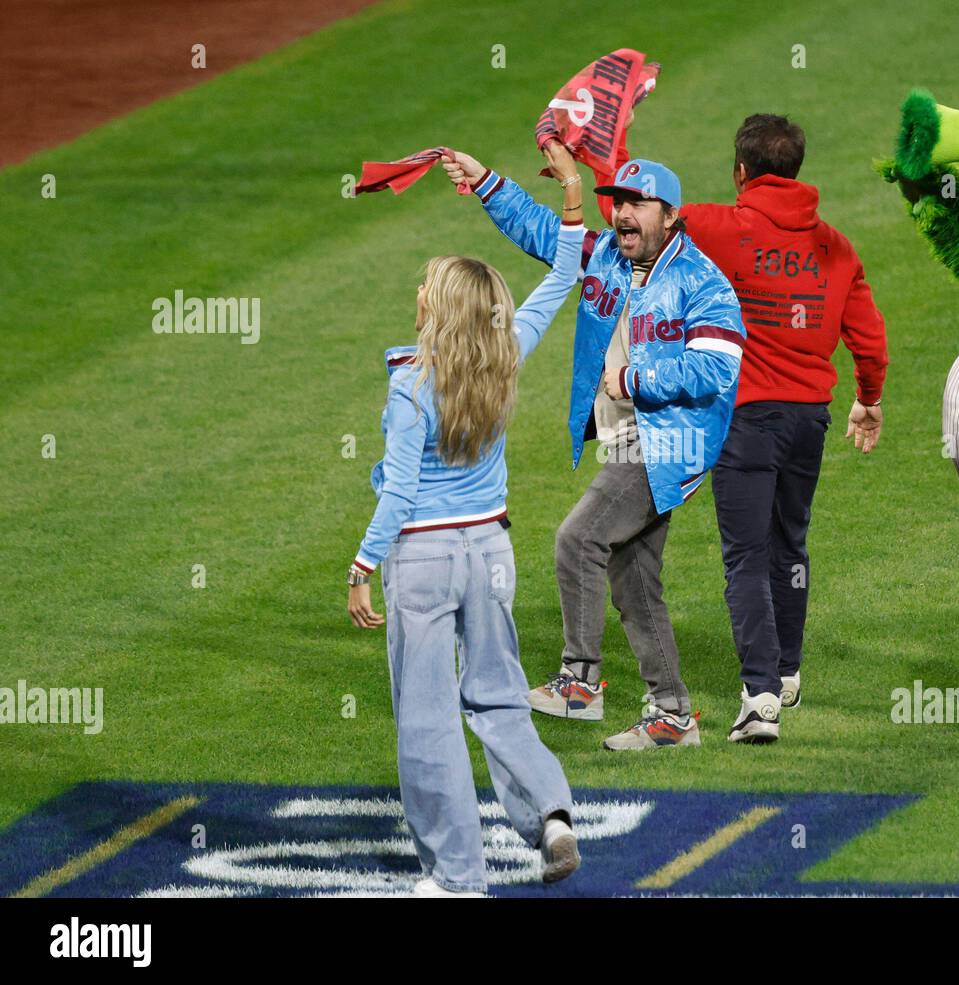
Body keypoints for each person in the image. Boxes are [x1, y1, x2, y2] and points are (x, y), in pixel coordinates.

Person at [440, 150, 746, 751]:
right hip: (627, 439)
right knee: (633, 577)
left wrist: (633, 381)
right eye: (619, 202)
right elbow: (540, 232)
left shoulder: (702, 282)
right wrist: (484, 181)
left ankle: (580, 682)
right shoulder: (605, 253)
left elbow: (718, 368)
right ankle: (672, 716)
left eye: (638, 204)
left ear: (672, 215)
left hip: (668, 443)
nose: (623, 213)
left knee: (578, 539)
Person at [346, 142, 586, 896]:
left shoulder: (413, 385)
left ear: (438, 310)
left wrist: (362, 565)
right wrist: (572, 193)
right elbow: (568, 271)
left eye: (426, 286)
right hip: (491, 552)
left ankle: (456, 876)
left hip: (422, 561)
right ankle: (550, 812)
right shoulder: (508, 351)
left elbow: (402, 492)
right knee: (498, 694)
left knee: (427, 721)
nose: (418, 291)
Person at [619, 115, 889, 742]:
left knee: (746, 555)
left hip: (744, 419)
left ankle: (760, 698)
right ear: (796, 168)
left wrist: (617, 133)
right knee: (789, 544)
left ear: (741, 171)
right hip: (809, 421)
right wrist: (868, 398)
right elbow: (869, 338)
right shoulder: (837, 247)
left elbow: (640, 206)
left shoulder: (719, 226)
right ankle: (787, 674)